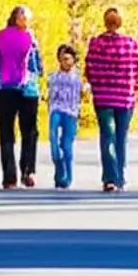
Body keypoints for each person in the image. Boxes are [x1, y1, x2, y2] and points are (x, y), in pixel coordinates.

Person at [0, 5, 43, 189]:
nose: (28, 22)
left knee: (7, 132)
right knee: (29, 132)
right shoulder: (31, 39)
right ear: (17, 19)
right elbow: (37, 66)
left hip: (5, 89)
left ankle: (10, 178)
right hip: (27, 90)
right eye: (25, 18)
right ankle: (27, 171)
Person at [84, 6, 138, 192]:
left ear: (105, 22)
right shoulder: (130, 44)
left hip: (103, 99)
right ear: (119, 23)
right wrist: (134, 88)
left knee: (107, 136)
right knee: (120, 137)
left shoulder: (95, 44)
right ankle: (120, 176)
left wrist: (97, 85)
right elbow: (137, 73)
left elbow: (89, 71)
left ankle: (109, 178)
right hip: (124, 98)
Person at [47, 44, 82, 190]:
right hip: (56, 111)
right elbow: (50, 95)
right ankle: (58, 167)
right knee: (54, 141)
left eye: (67, 59)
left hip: (71, 113)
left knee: (66, 145)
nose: (64, 62)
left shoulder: (76, 78)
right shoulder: (53, 77)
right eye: (61, 59)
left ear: (73, 60)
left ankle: (66, 177)